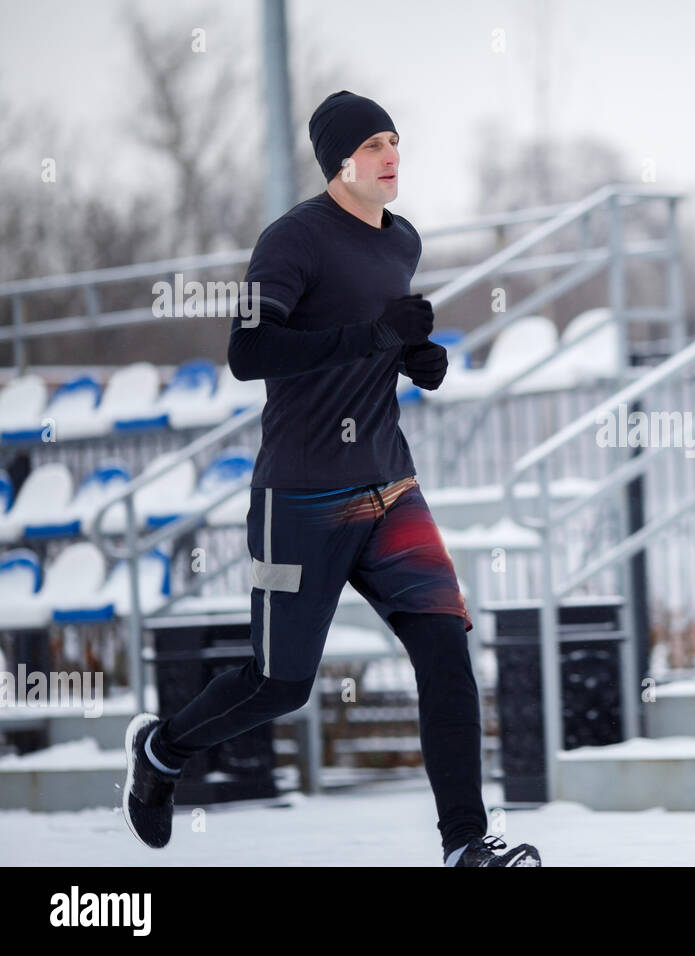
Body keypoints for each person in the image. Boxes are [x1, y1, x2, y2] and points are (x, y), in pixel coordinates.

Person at [122, 90, 540, 868]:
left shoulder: (402, 240)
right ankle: (162, 752)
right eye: (375, 145)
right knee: (281, 684)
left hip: (390, 488)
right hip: (301, 502)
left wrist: (413, 357)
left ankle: (466, 847)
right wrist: (371, 336)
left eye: (396, 142)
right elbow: (250, 351)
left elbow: (377, 336)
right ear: (337, 162)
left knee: (446, 653)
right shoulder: (291, 241)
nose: (392, 158)